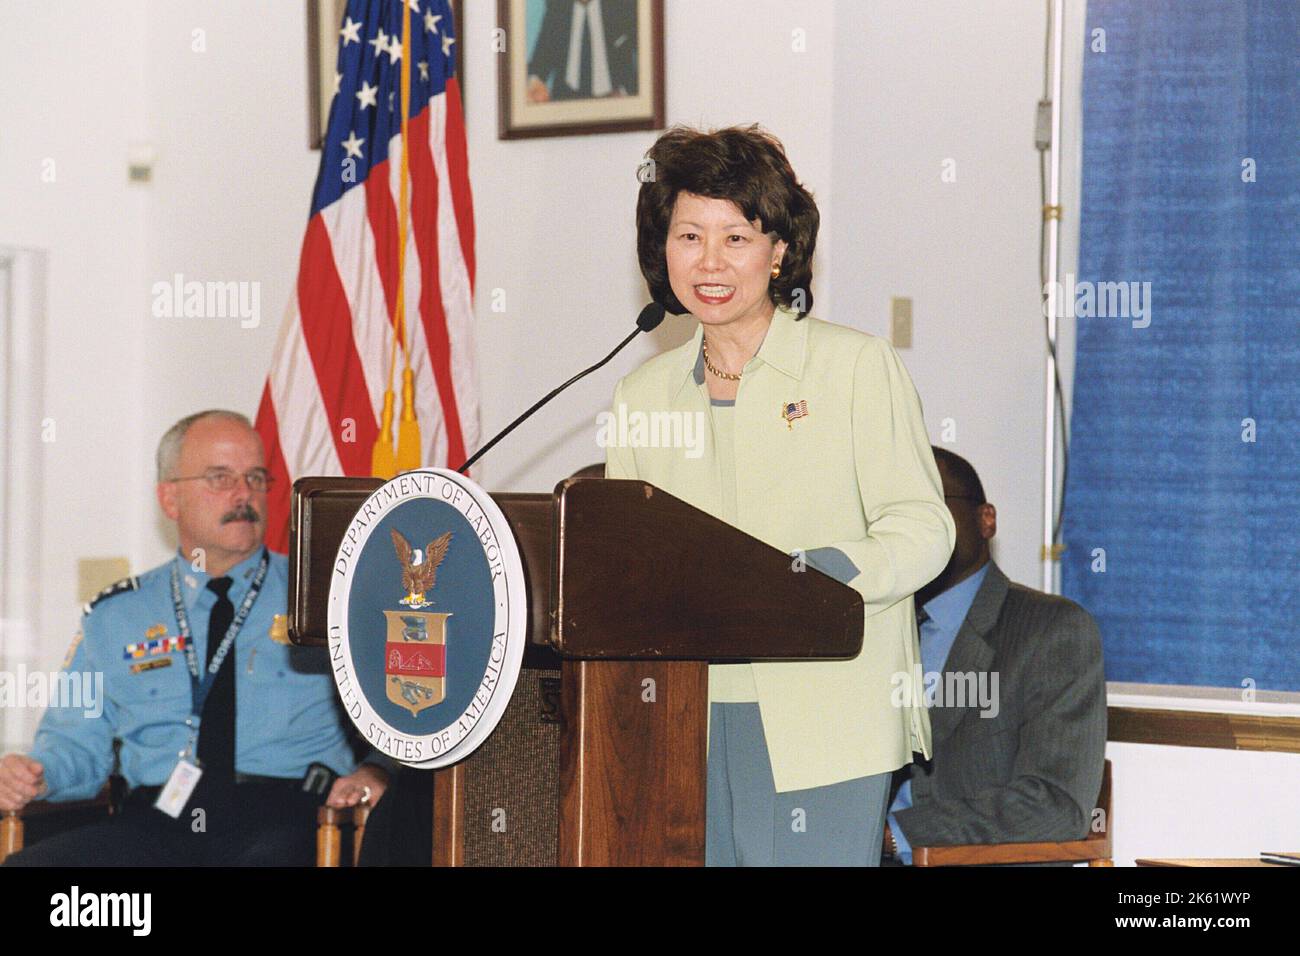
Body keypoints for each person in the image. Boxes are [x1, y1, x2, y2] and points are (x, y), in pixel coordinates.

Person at [606, 124, 955, 866]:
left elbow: (924, 527)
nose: (708, 261)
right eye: (688, 235)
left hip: (825, 707)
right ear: (660, 251)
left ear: (780, 252)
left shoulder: (853, 367)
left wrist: (815, 576)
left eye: (736, 238)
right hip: (679, 714)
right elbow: (627, 561)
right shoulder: (642, 394)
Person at [0, 410, 388, 866]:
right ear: (169, 499)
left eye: (255, 478)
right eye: (220, 478)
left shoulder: (322, 597)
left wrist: (378, 770)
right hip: (159, 818)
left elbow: (394, 716)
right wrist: (34, 775)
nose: (243, 494)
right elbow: (73, 745)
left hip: (288, 816)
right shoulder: (116, 616)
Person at [883, 448, 1107, 864]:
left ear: (986, 519)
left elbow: (1055, 805)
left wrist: (895, 836)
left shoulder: (1052, 630)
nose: (916, 530)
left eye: (931, 506)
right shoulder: (876, 631)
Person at [526, 0, 639, 103]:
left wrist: (628, 95)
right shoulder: (557, 8)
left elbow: (650, 58)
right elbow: (539, 62)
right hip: (566, 102)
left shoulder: (624, 6)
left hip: (617, 101)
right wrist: (535, 82)